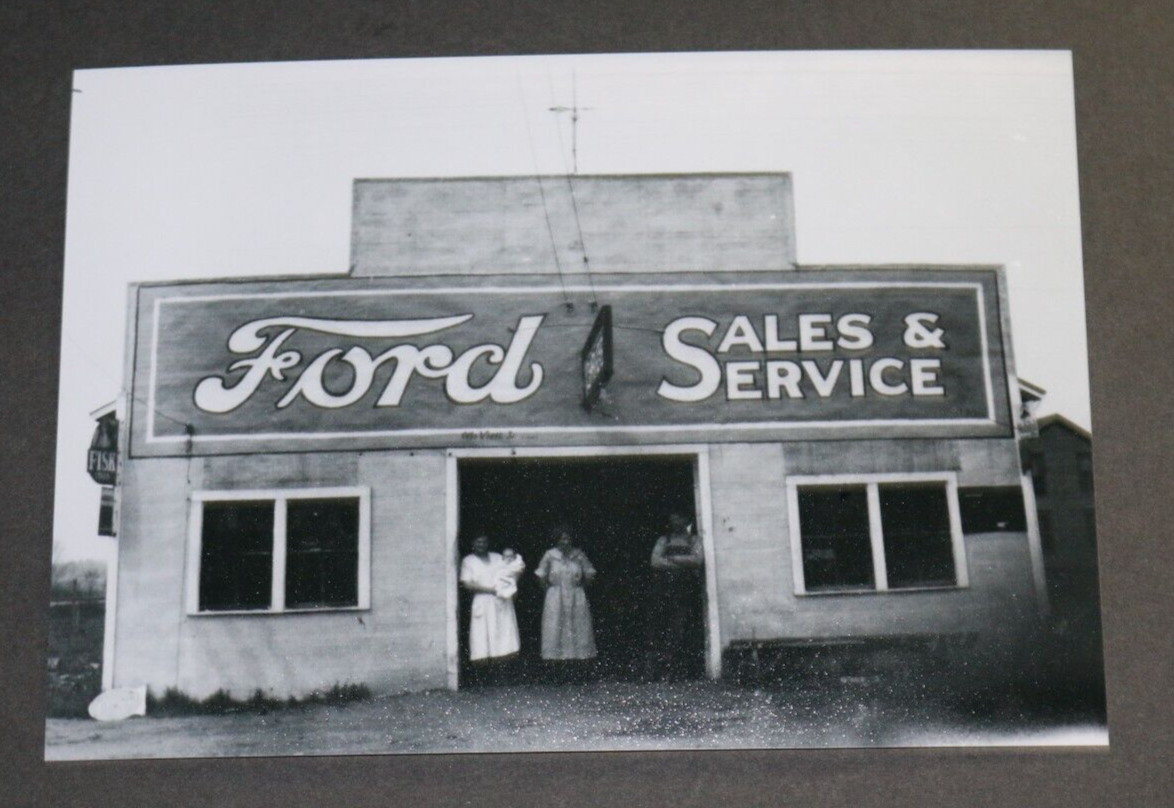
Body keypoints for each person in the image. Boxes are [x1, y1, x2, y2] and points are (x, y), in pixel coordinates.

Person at [644, 512, 705, 681]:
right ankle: (659, 671)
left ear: (686, 520)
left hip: (685, 591)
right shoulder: (664, 540)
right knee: (660, 628)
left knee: (682, 629)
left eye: (679, 518)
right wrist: (684, 561)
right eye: (673, 519)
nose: (675, 521)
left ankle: (681, 670)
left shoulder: (694, 540)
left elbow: (698, 560)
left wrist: (671, 558)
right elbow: (655, 561)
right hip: (664, 591)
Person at [534, 526, 597, 680]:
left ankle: (577, 671)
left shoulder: (578, 555)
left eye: (568, 538)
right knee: (556, 629)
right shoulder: (550, 555)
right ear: (556, 540)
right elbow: (540, 575)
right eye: (562, 539)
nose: (565, 541)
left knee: (578, 628)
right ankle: (557, 673)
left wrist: (581, 587)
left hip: (576, 595)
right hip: (556, 596)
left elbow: (590, 573)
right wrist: (550, 590)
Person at [460, 534, 523, 683]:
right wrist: (490, 590)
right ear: (473, 543)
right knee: (483, 635)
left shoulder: (497, 557)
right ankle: (484, 676)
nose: (481, 544)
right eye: (478, 541)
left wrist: (509, 586)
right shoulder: (468, 561)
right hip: (483, 599)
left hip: (501, 599)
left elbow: (512, 570)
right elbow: (467, 584)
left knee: (502, 634)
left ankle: (502, 674)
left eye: (484, 541)